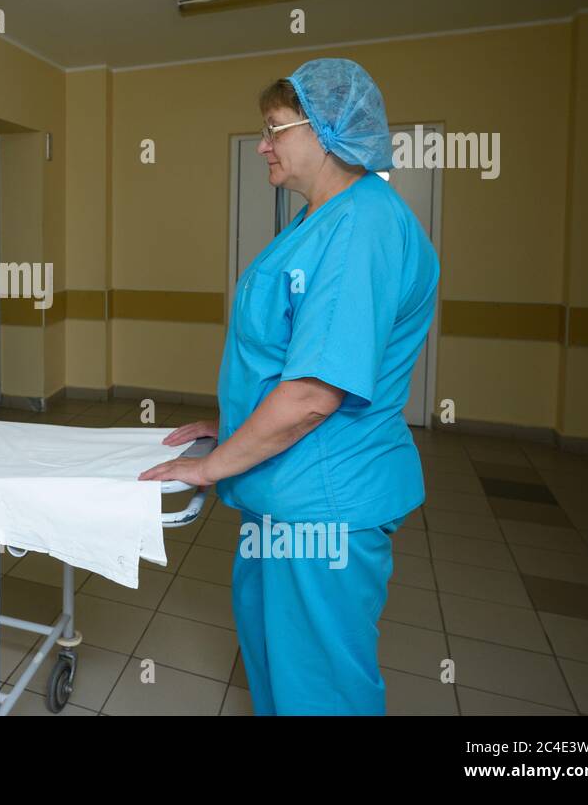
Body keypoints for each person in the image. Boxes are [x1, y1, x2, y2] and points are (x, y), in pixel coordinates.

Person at [139, 58, 440, 715]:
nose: (263, 144)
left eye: (276, 128)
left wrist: (211, 467)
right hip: (285, 491)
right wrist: (234, 427)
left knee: (319, 690)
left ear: (328, 131)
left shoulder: (360, 227)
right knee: (278, 669)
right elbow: (285, 359)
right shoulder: (322, 221)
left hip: (322, 502)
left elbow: (312, 395)